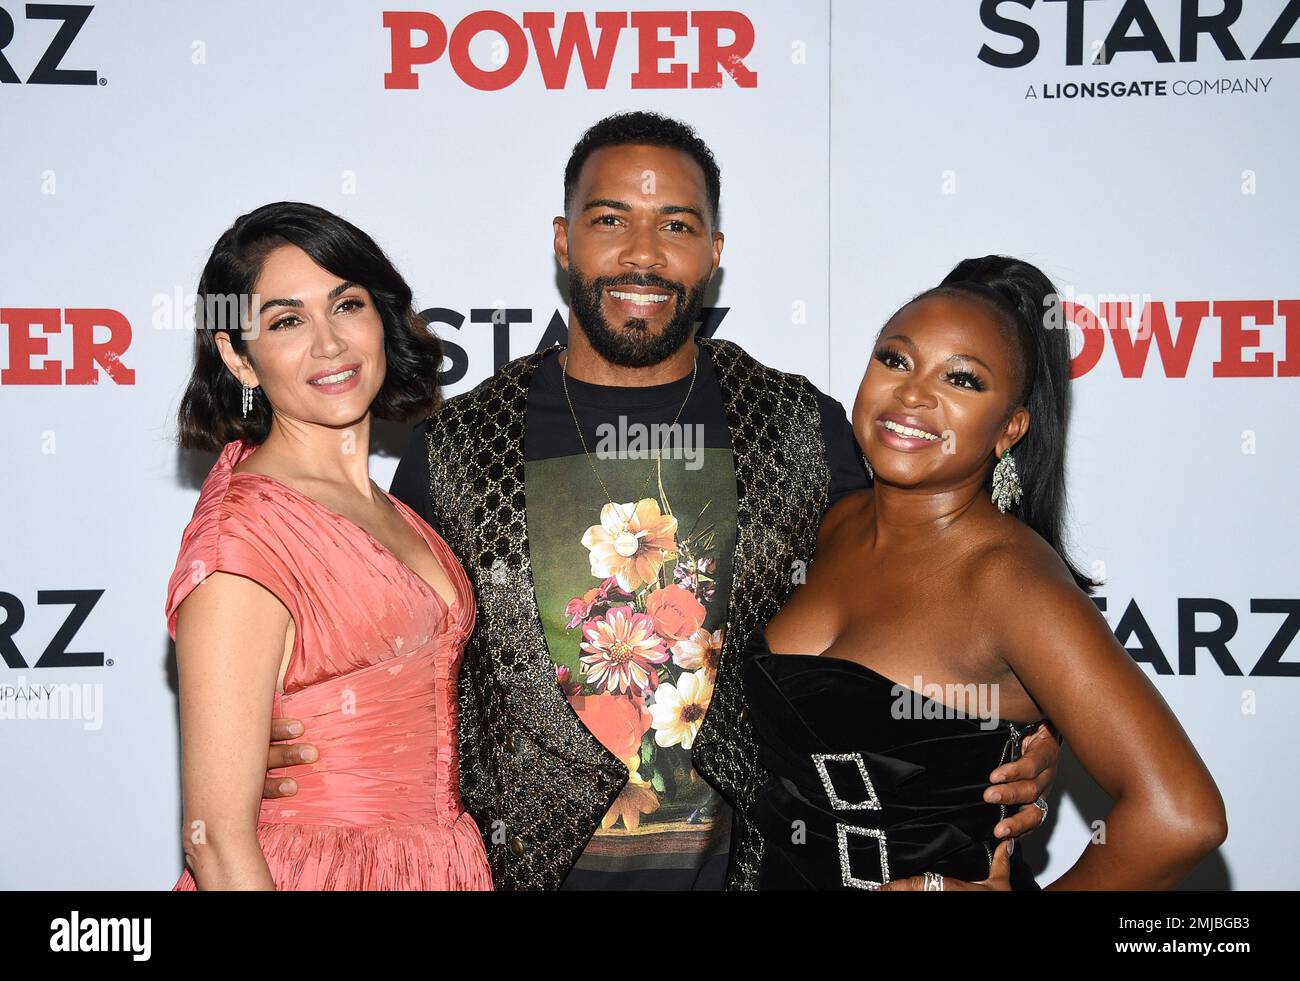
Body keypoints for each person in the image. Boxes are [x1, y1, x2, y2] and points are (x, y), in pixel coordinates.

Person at [263, 113, 1062, 890]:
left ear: (714, 254)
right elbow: (405, 662)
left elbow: (934, 601)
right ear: (562, 239)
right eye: (611, 219)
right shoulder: (457, 447)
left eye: (676, 226)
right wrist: (300, 742)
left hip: (763, 872)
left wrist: (1015, 727)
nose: (642, 255)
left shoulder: (800, 430)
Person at [743, 256, 1227, 890]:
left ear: (1011, 429)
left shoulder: (1010, 579)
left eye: (963, 380)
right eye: (895, 359)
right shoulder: (831, 522)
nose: (913, 394)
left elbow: (1181, 815)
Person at [167, 202, 491, 890]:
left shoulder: (388, 505)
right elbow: (217, 844)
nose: (330, 344)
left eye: (347, 305)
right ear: (237, 354)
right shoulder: (246, 533)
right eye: (287, 321)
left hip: (437, 865)